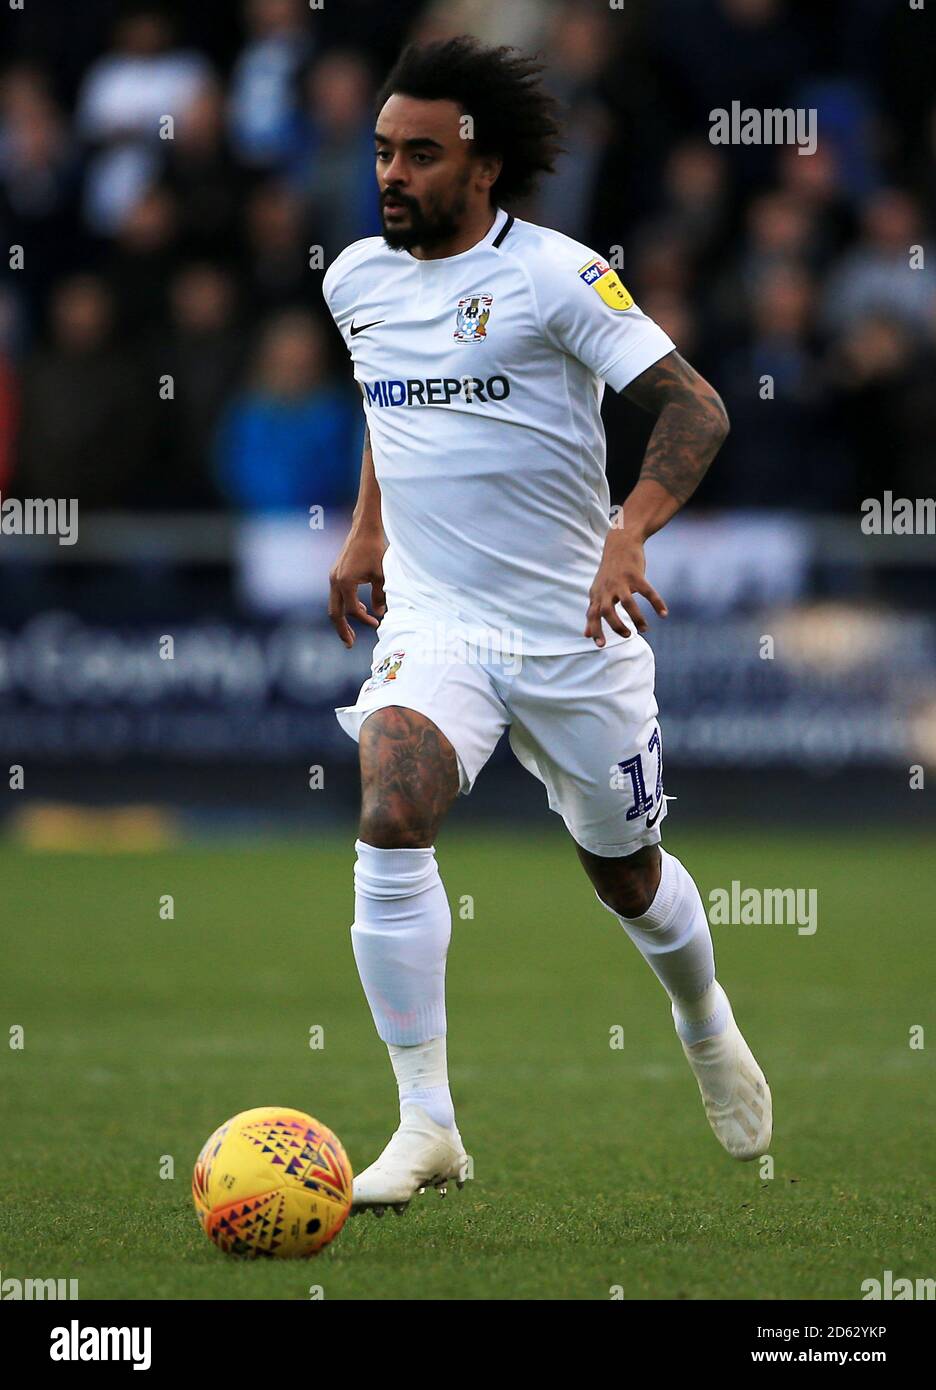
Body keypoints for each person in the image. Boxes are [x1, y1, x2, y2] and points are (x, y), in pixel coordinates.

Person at [322, 37, 771, 1213]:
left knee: (623, 873)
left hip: (576, 625)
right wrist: (368, 529)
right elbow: (390, 398)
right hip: (439, 619)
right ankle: (427, 1125)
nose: (393, 174)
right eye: (383, 150)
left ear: (486, 167)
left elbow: (697, 407)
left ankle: (702, 1014)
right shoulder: (356, 280)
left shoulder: (559, 276)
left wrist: (630, 533)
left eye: (421, 153)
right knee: (391, 806)